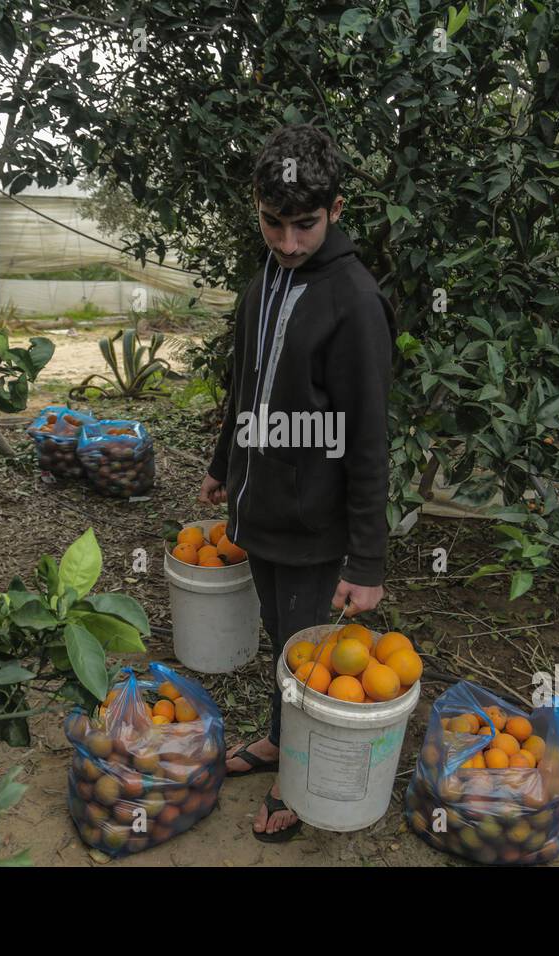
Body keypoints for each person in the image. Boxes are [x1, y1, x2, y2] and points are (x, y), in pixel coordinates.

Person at [198, 124, 396, 841]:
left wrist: (366, 562)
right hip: (264, 511)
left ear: (337, 210)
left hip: (316, 526)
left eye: (304, 225)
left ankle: (296, 781)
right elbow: (244, 385)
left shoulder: (354, 302)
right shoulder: (269, 279)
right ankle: (284, 740)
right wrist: (226, 465)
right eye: (272, 223)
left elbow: (370, 437)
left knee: (309, 664)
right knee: (283, 640)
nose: (286, 241)